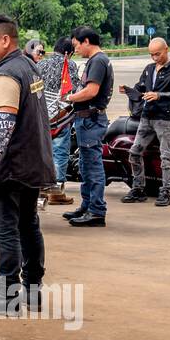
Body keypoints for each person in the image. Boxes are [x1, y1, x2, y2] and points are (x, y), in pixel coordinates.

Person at [0, 15, 56, 315]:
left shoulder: (5, 75)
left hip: (9, 168)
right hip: (31, 164)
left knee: (5, 230)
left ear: (5, 40)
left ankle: (7, 296)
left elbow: (4, 125)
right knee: (29, 225)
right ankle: (32, 289)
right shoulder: (28, 66)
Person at [119, 37, 170, 207]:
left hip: (165, 118)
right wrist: (129, 90)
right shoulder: (149, 69)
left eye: (157, 54)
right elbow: (141, 88)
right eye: (151, 55)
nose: (154, 58)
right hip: (146, 116)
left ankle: (165, 191)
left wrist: (159, 95)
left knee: (165, 155)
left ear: (166, 49)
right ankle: (138, 188)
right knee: (134, 152)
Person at [61, 26, 114, 227]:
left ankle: (97, 211)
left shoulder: (98, 61)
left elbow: (91, 91)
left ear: (86, 42)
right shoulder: (95, 61)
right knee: (84, 165)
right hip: (86, 119)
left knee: (93, 167)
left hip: (92, 120)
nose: (76, 50)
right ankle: (87, 205)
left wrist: (69, 97)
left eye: (77, 45)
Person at [37, 36, 78, 205]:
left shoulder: (40, 64)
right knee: (60, 153)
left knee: (42, 152)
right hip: (60, 115)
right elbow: (74, 88)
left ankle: (40, 187)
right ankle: (56, 191)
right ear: (68, 52)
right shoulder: (70, 65)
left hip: (40, 114)